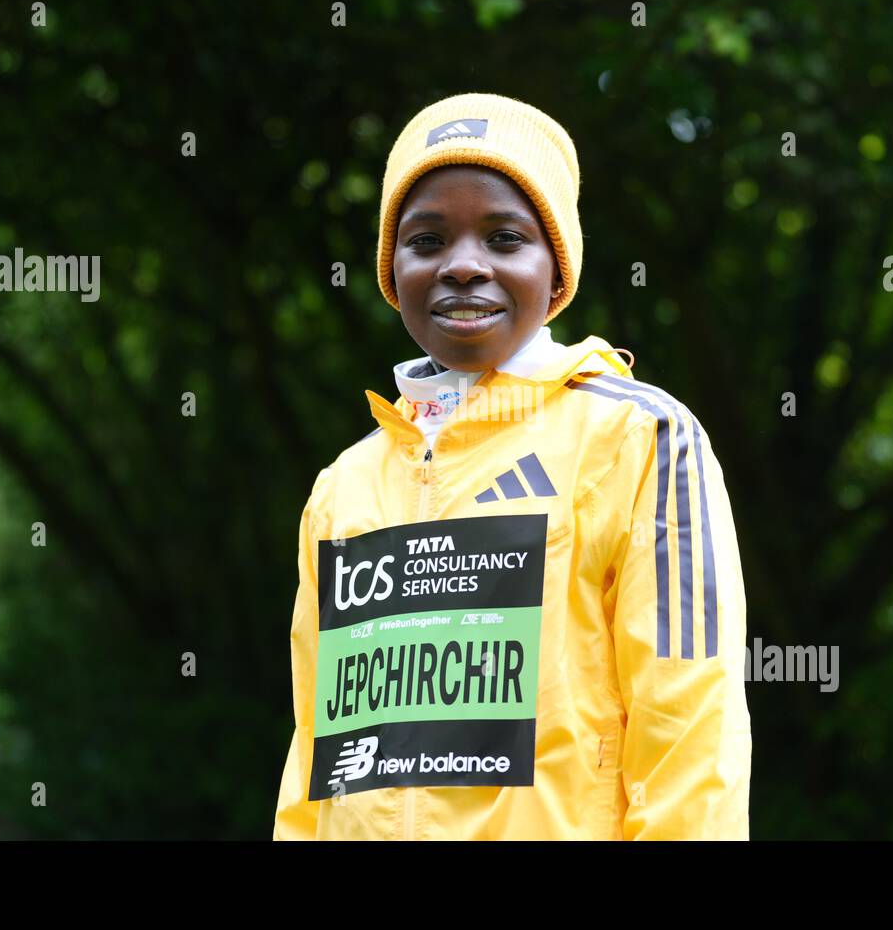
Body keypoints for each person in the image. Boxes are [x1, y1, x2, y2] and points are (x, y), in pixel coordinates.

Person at [273, 92, 751, 840]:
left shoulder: (640, 438)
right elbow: (313, 757)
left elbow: (692, 731)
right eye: (427, 240)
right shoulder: (342, 488)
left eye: (504, 237)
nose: (464, 266)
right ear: (391, 272)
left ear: (557, 271)